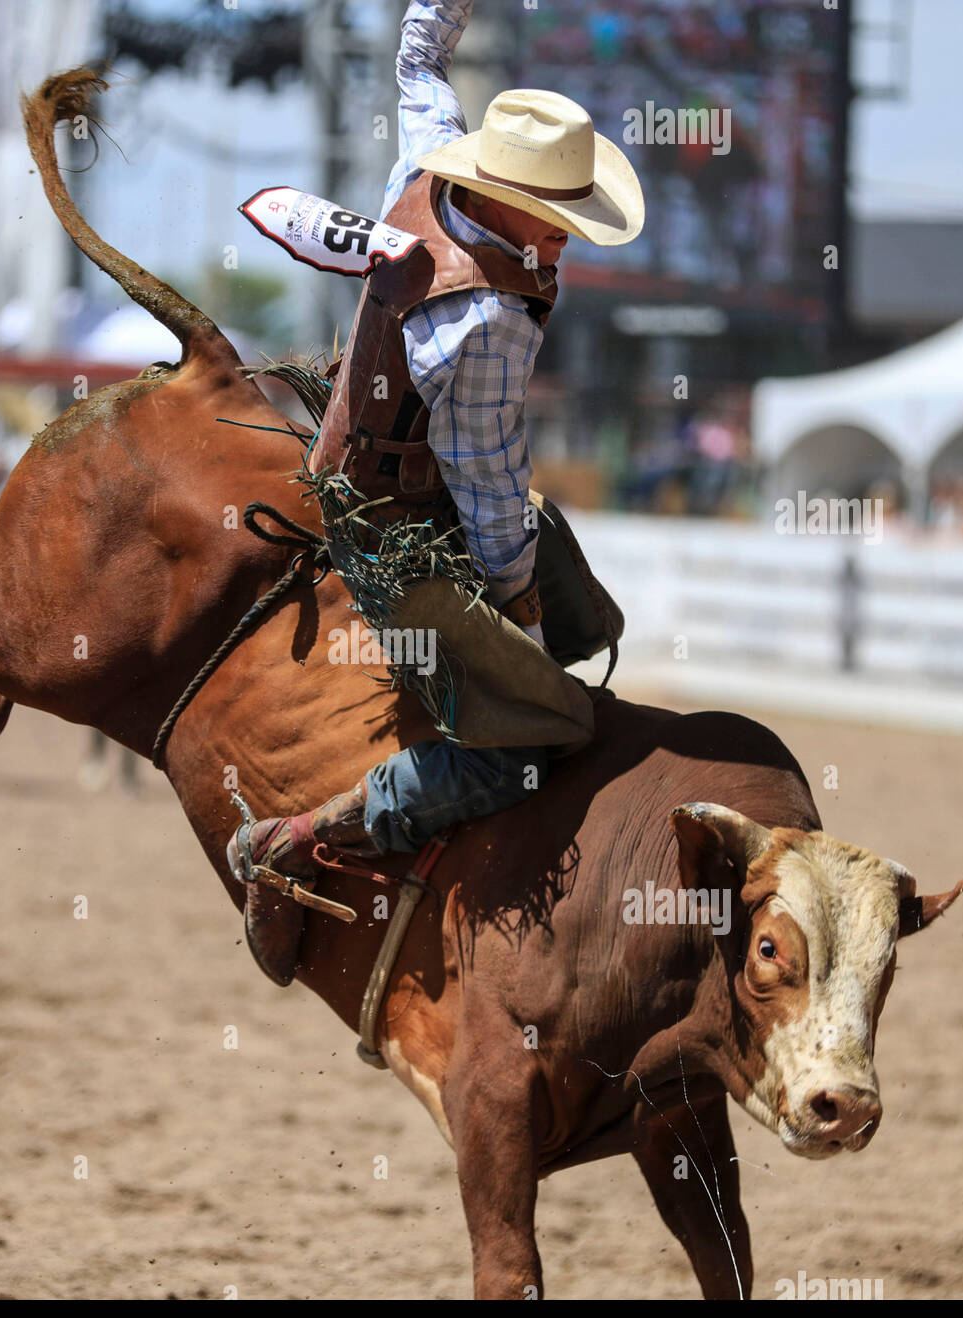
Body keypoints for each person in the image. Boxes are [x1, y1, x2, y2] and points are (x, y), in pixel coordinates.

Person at [229, 0, 645, 984]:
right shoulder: (487, 318)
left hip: (366, 467)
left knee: (569, 588)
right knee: (537, 733)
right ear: (507, 202)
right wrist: (522, 627)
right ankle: (300, 840)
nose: (564, 239)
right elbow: (489, 486)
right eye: (557, 218)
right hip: (399, 531)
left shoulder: (432, 168)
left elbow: (418, 70)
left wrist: (437, 11)